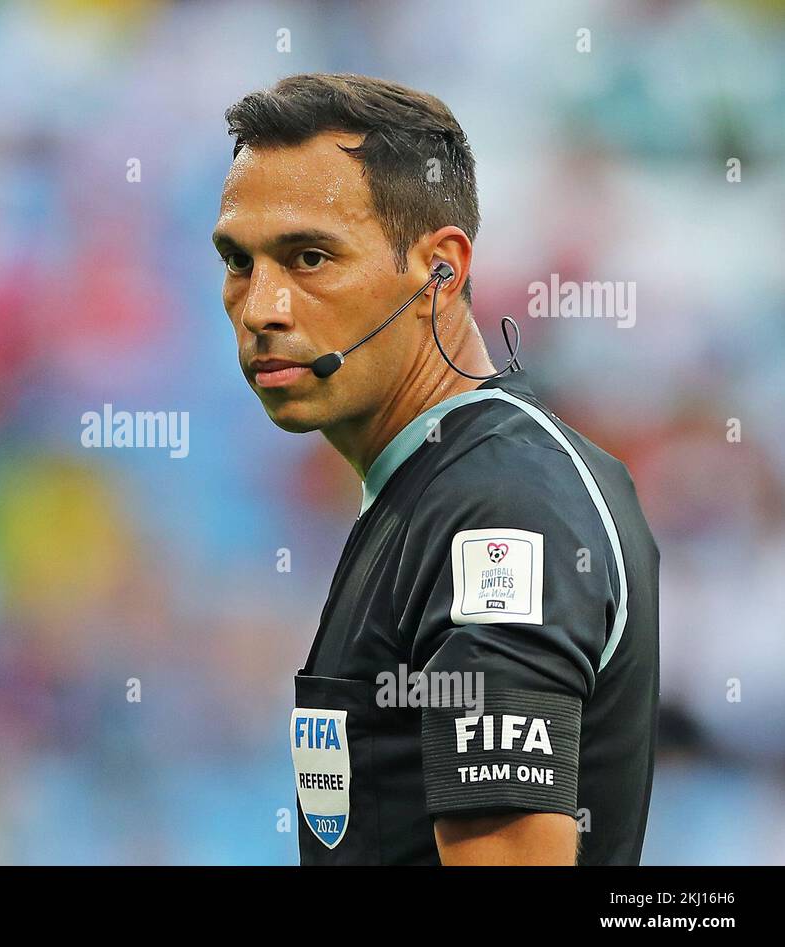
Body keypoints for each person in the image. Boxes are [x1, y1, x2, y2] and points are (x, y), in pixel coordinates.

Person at [212, 73, 659, 865]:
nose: (261, 308)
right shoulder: (432, 484)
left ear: (441, 270)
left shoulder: (502, 509)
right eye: (239, 261)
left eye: (309, 257)